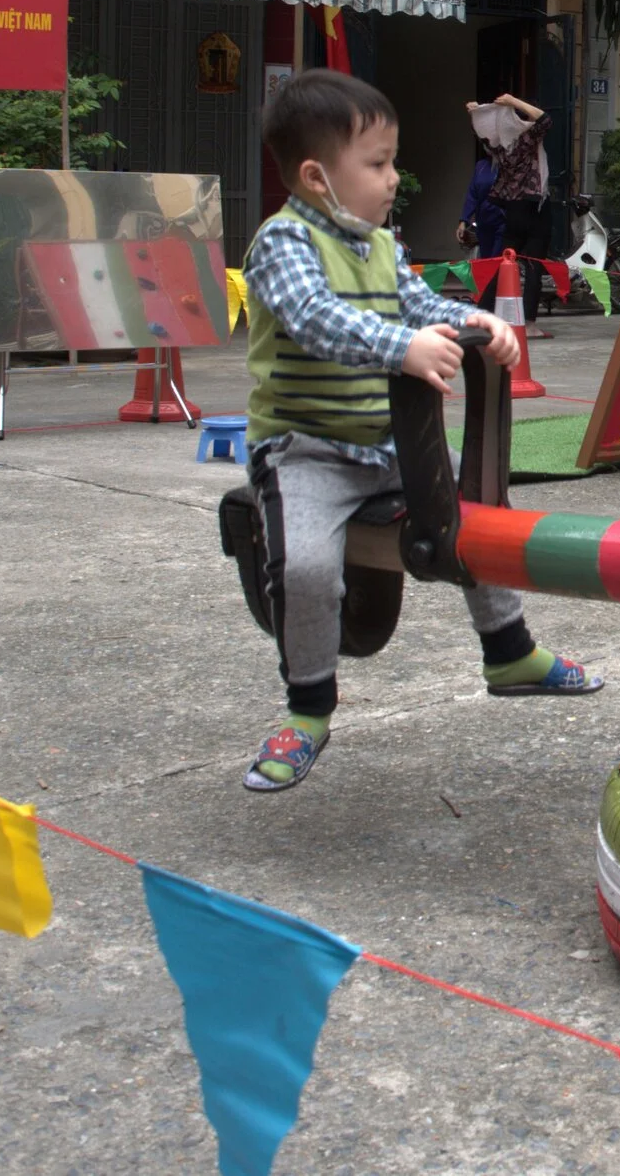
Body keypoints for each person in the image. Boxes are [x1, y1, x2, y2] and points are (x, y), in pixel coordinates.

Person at [240, 72, 601, 794]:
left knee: (481, 511)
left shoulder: (377, 245)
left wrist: (480, 320)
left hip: (383, 446)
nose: (393, 178)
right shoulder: (283, 242)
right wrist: (399, 347)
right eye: (376, 163)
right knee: (308, 567)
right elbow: (315, 316)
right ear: (317, 177)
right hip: (306, 452)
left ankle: (509, 650)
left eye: (392, 160)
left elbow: (420, 300)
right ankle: (307, 705)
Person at [467, 93, 552, 333]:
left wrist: (477, 112)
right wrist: (514, 102)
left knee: (504, 262)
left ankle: (483, 313)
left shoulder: (500, 144)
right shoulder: (528, 138)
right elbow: (545, 120)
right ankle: (530, 324)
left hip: (512, 208)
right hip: (535, 208)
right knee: (534, 266)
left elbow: (483, 131)